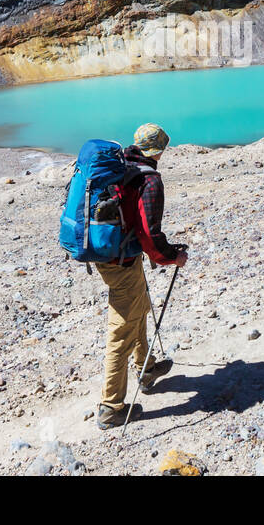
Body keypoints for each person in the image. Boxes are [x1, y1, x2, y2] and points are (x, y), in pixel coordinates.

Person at [95, 122, 187, 429]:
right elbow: (149, 234)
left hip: (113, 253)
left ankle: (146, 368)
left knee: (140, 307)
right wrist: (172, 257)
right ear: (159, 150)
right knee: (122, 328)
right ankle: (111, 407)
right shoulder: (149, 179)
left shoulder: (122, 164)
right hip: (120, 259)